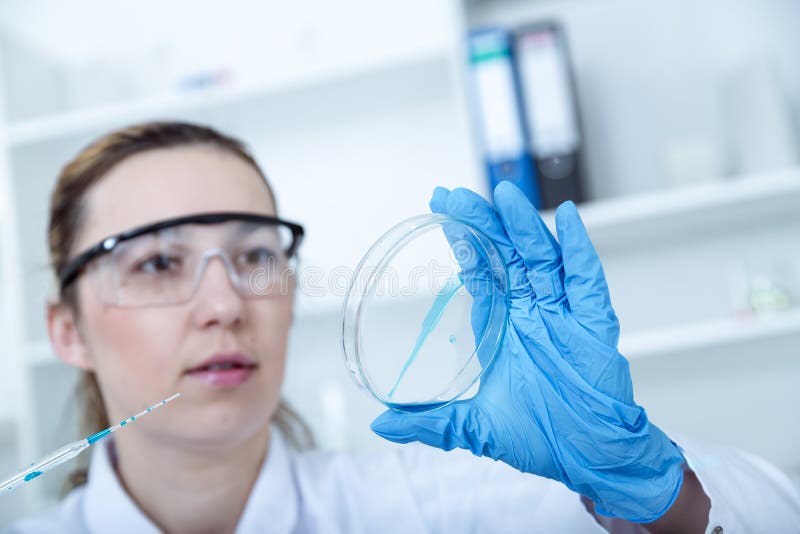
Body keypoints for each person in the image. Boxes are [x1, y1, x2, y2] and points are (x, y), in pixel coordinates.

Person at [4, 121, 799, 534]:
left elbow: (775, 512)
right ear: (66, 329)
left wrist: (651, 493)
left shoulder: (438, 507)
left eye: (253, 257)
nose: (224, 305)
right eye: (156, 265)